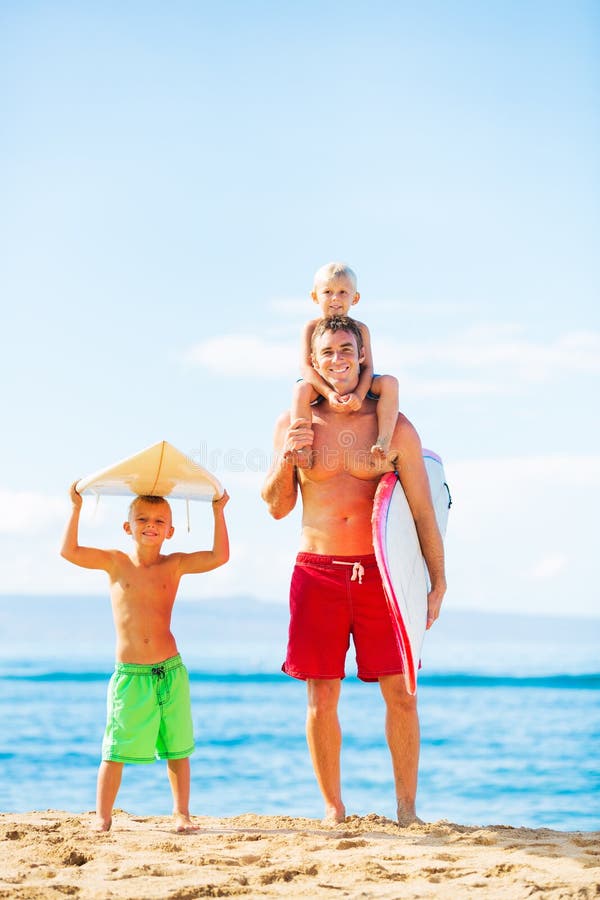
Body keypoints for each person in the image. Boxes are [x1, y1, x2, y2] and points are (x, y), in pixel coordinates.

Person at [262, 315, 445, 826]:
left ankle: (407, 809)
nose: (338, 359)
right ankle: (333, 809)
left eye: (347, 349)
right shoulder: (294, 421)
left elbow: (423, 510)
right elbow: (276, 506)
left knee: (402, 693)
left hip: (379, 575)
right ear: (313, 361)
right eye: (328, 352)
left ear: (362, 355)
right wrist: (287, 459)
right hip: (316, 570)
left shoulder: (394, 426)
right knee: (321, 695)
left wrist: (438, 580)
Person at [60, 485, 230, 832]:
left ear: (170, 530)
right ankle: (102, 817)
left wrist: (218, 510)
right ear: (128, 527)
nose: (150, 525)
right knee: (115, 747)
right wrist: (76, 507)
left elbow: (219, 556)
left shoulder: (174, 564)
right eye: (142, 519)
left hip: (170, 670)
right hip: (131, 675)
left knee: (177, 746)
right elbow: (70, 551)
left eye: (159, 521)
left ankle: (181, 813)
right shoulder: (115, 562)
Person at [287, 261, 399, 467]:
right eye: (327, 292)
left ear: (355, 298)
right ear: (315, 296)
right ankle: (303, 449)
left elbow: (368, 368)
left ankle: (383, 442)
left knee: (390, 383)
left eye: (342, 292)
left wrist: (359, 395)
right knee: (300, 389)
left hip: (356, 381)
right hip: (321, 384)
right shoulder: (311, 327)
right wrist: (328, 393)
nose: (335, 298)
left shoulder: (361, 329)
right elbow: (306, 367)